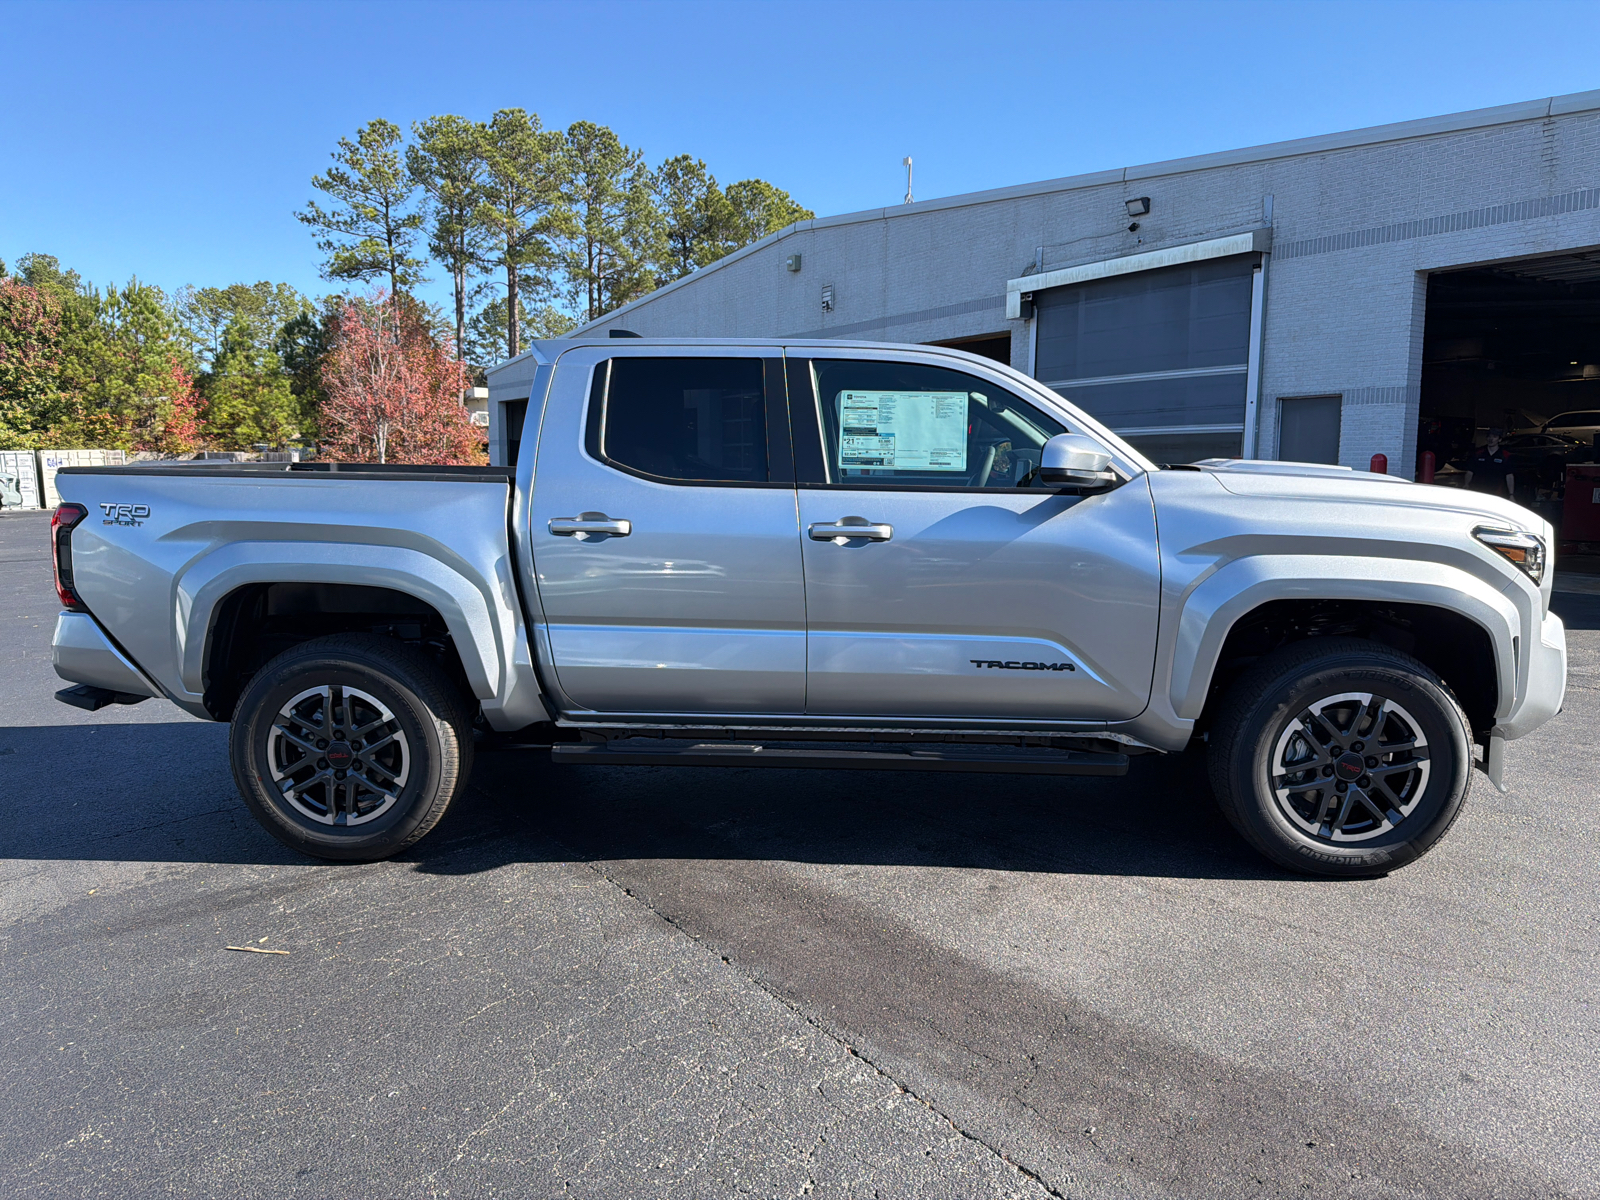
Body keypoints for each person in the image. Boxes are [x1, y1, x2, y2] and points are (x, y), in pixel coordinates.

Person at [1463, 428, 1515, 498]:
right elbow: (1470, 471)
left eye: (1494, 437)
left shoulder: (1505, 455)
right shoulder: (1478, 454)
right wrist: (1466, 484)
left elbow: (1509, 475)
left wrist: (1511, 494)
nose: (1491, 439)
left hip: (1496, 492)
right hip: (1478, 491)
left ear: (1499, 440)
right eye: (1489, 436)